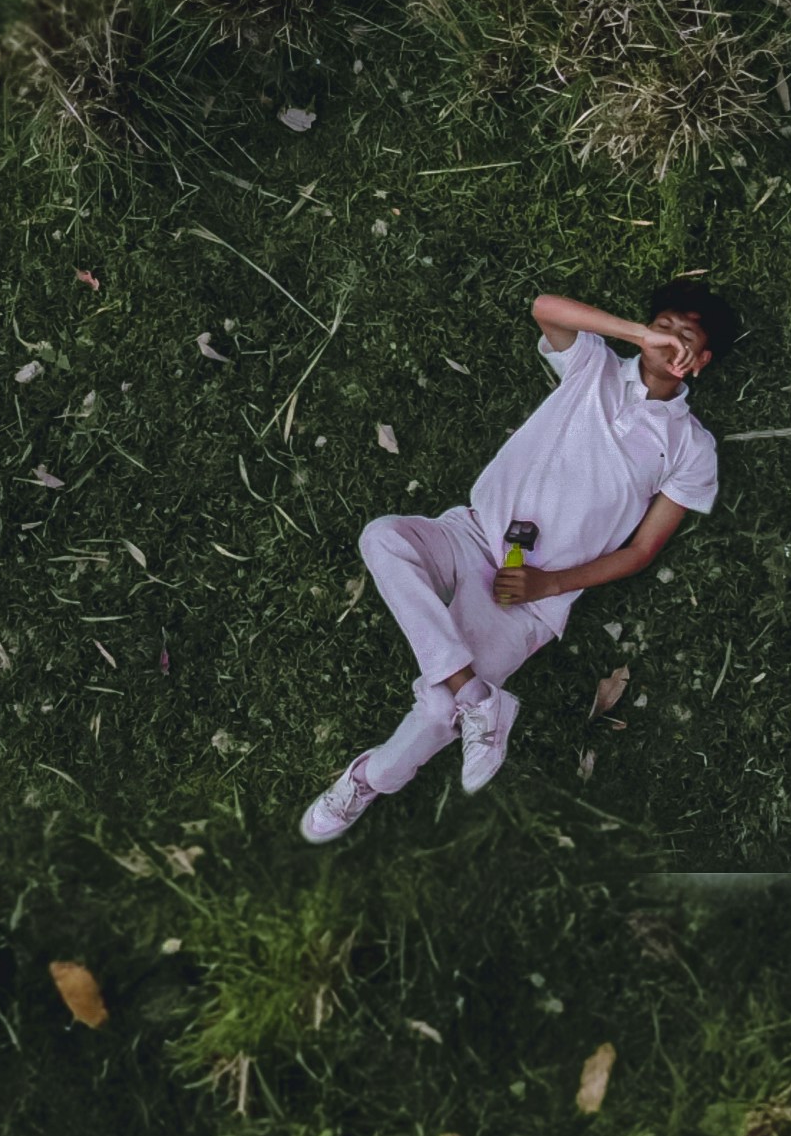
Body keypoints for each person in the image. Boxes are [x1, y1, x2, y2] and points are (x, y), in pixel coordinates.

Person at [298, 280, 738, 841]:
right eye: (666, 324)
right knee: (383, 537)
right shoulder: (595, 366)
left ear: (699, 361)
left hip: (528, 599)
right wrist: (636, 333)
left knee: (437, 712)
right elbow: (544, 308)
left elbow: (642, 551)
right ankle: (480, 698)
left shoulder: (692, 448)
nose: (670, 337)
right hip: (471, 535)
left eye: (686, 336)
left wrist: (549, 583)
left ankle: (368, 779)